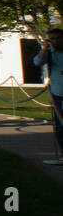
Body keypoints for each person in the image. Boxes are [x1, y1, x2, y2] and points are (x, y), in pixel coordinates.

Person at [32, 29, 63, 157]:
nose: (55, 41)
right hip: (58, 93)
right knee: (60, 126)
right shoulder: (49, 54)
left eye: (57, 38)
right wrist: (45, 48)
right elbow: (37, 62)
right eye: (52, 39)